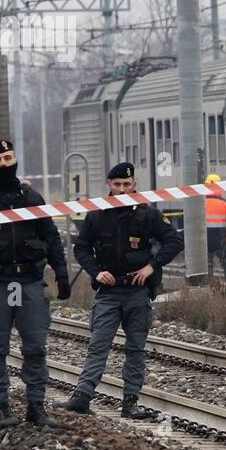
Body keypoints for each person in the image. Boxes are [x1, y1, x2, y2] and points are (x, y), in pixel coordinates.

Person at [0, 140, 72, 429]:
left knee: (36, 347)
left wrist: (61, 271)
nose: (5, 164)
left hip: (30, 281)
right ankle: (1, 406)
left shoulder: (32, 198)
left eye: (9, 158)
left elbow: (51, 236)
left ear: (16, 160)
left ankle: (36, 406)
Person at [61, 162, 183, 418]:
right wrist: (95, 272)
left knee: (136, 348)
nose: (122, 189)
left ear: (134, 186)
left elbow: (173, 240)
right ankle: (82, 397)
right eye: (117, 185)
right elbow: (81, 248)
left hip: (137, 291)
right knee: (98, 345)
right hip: (109, 291)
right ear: (109, 185)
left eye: (127, 185)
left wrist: (152, 266)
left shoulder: (147, 214)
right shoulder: (96, 215)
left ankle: (130, 402)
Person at [203, 174, 226, 280]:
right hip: (220, 238)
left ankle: (207, 283)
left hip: (204, 238)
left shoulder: (199, 203)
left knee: (205, 263)